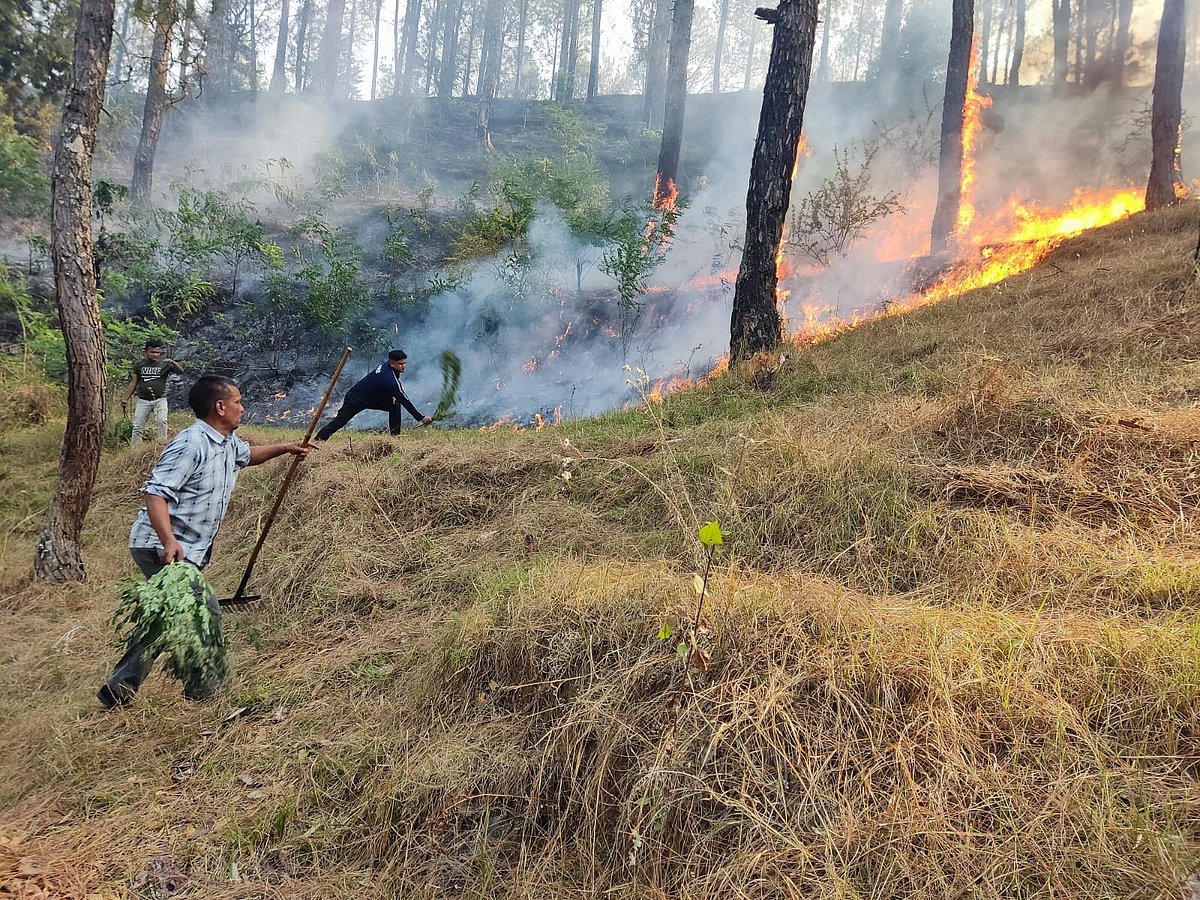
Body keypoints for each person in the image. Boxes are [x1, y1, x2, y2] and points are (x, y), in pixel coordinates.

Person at [98, 375, 314, 708]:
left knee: (162, 618)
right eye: (238, 401)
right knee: (203, 614)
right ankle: (207, 692)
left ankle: (118, 689)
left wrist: (285, 449)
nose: (242, 407)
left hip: (185, 548)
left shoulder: (226, 441)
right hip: (163, 547)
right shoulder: (192, 442)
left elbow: (248, 455)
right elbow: (155, 493)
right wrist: (168, 541)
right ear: (220, 406)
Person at [315, 349, 432, 440]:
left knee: (394, 404)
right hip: (355, 399)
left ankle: (395, 438)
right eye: (400, 364)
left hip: (372, 398)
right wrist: (421, 418)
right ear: (392, 363)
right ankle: (318, 440)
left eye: (404, 363)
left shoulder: (388, 366)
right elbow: (404, 398)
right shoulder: (389, 379)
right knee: (339, 423)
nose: (403, 366)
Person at [122, 339, 184, 446]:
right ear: (146, 351)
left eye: (157, 352)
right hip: (143, 400)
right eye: (152, 352)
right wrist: (125, 398)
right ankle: (135, 449)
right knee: (137, 426)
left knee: (162, 421)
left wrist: (173, 362)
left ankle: (161, 445)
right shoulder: (139, 365)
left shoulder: (164, 364)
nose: (155, 355)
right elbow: (134, 382)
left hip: (160, 399)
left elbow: (181, 371)